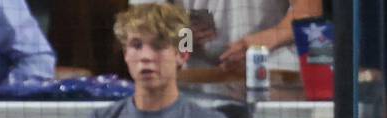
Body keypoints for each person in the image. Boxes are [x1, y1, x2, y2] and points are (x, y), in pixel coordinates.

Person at [61, 3, 238, 118]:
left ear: (182, 55)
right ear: (126, 55)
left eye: (159, 45)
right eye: (136, 46)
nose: (146, 57)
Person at [129, 0, 324, 74]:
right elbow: (146, 20)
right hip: (197, 76)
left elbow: (308, 12)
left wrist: (269, 39)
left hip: (272, 70)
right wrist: (183, 35)